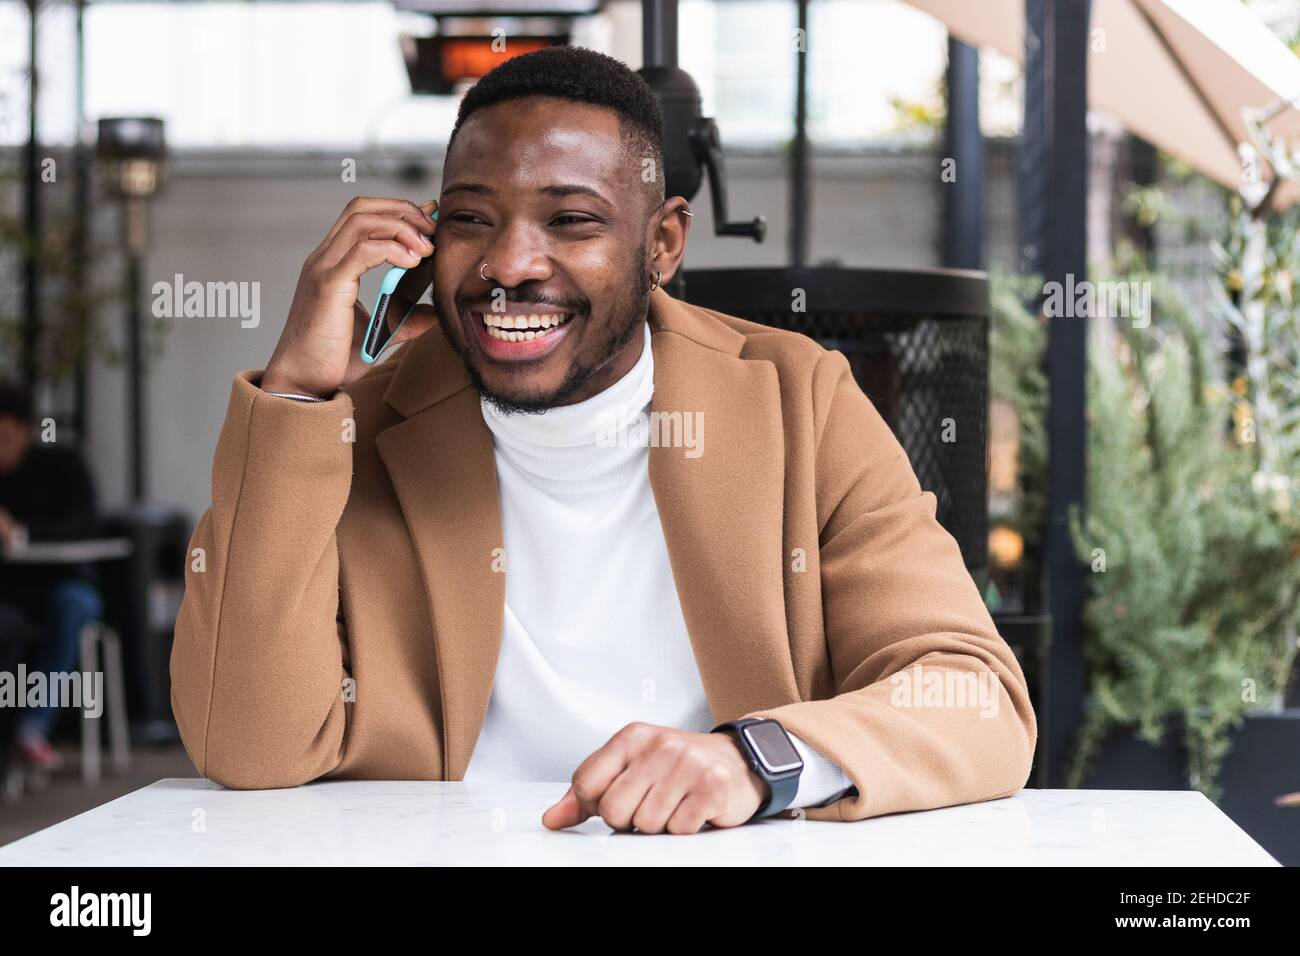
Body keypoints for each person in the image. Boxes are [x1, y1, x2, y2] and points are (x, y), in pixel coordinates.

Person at [171, 45, 1036, 834]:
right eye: (472, 219)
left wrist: (756, 759)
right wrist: (293, 391)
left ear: (661, 242)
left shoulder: (797, 399)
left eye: (572, 221)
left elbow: (973, 694)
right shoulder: (349, 429)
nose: (510, 263)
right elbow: (248, 745)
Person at [0, 381, 105, 770]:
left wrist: (20, 532)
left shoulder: (62, 466)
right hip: (8, 593)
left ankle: (33, 726)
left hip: (58, 585)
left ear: (27, 431)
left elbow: (87, 526)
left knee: (73, 603)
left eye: (6, 437)